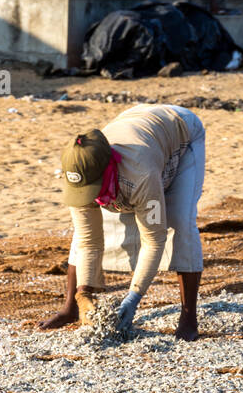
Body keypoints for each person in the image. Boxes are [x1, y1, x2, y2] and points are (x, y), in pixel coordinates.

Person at [41, 103, 206, 341]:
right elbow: (88, 240)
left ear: (108, 170)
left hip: (180, 129)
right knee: (80, 233)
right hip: (135, 120)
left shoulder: (141, 175)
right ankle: (70, 308)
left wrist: (134, 297)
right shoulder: (77, 168)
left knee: (180, 222)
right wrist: (82, 294)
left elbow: (153, 239)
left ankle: (189, 319)